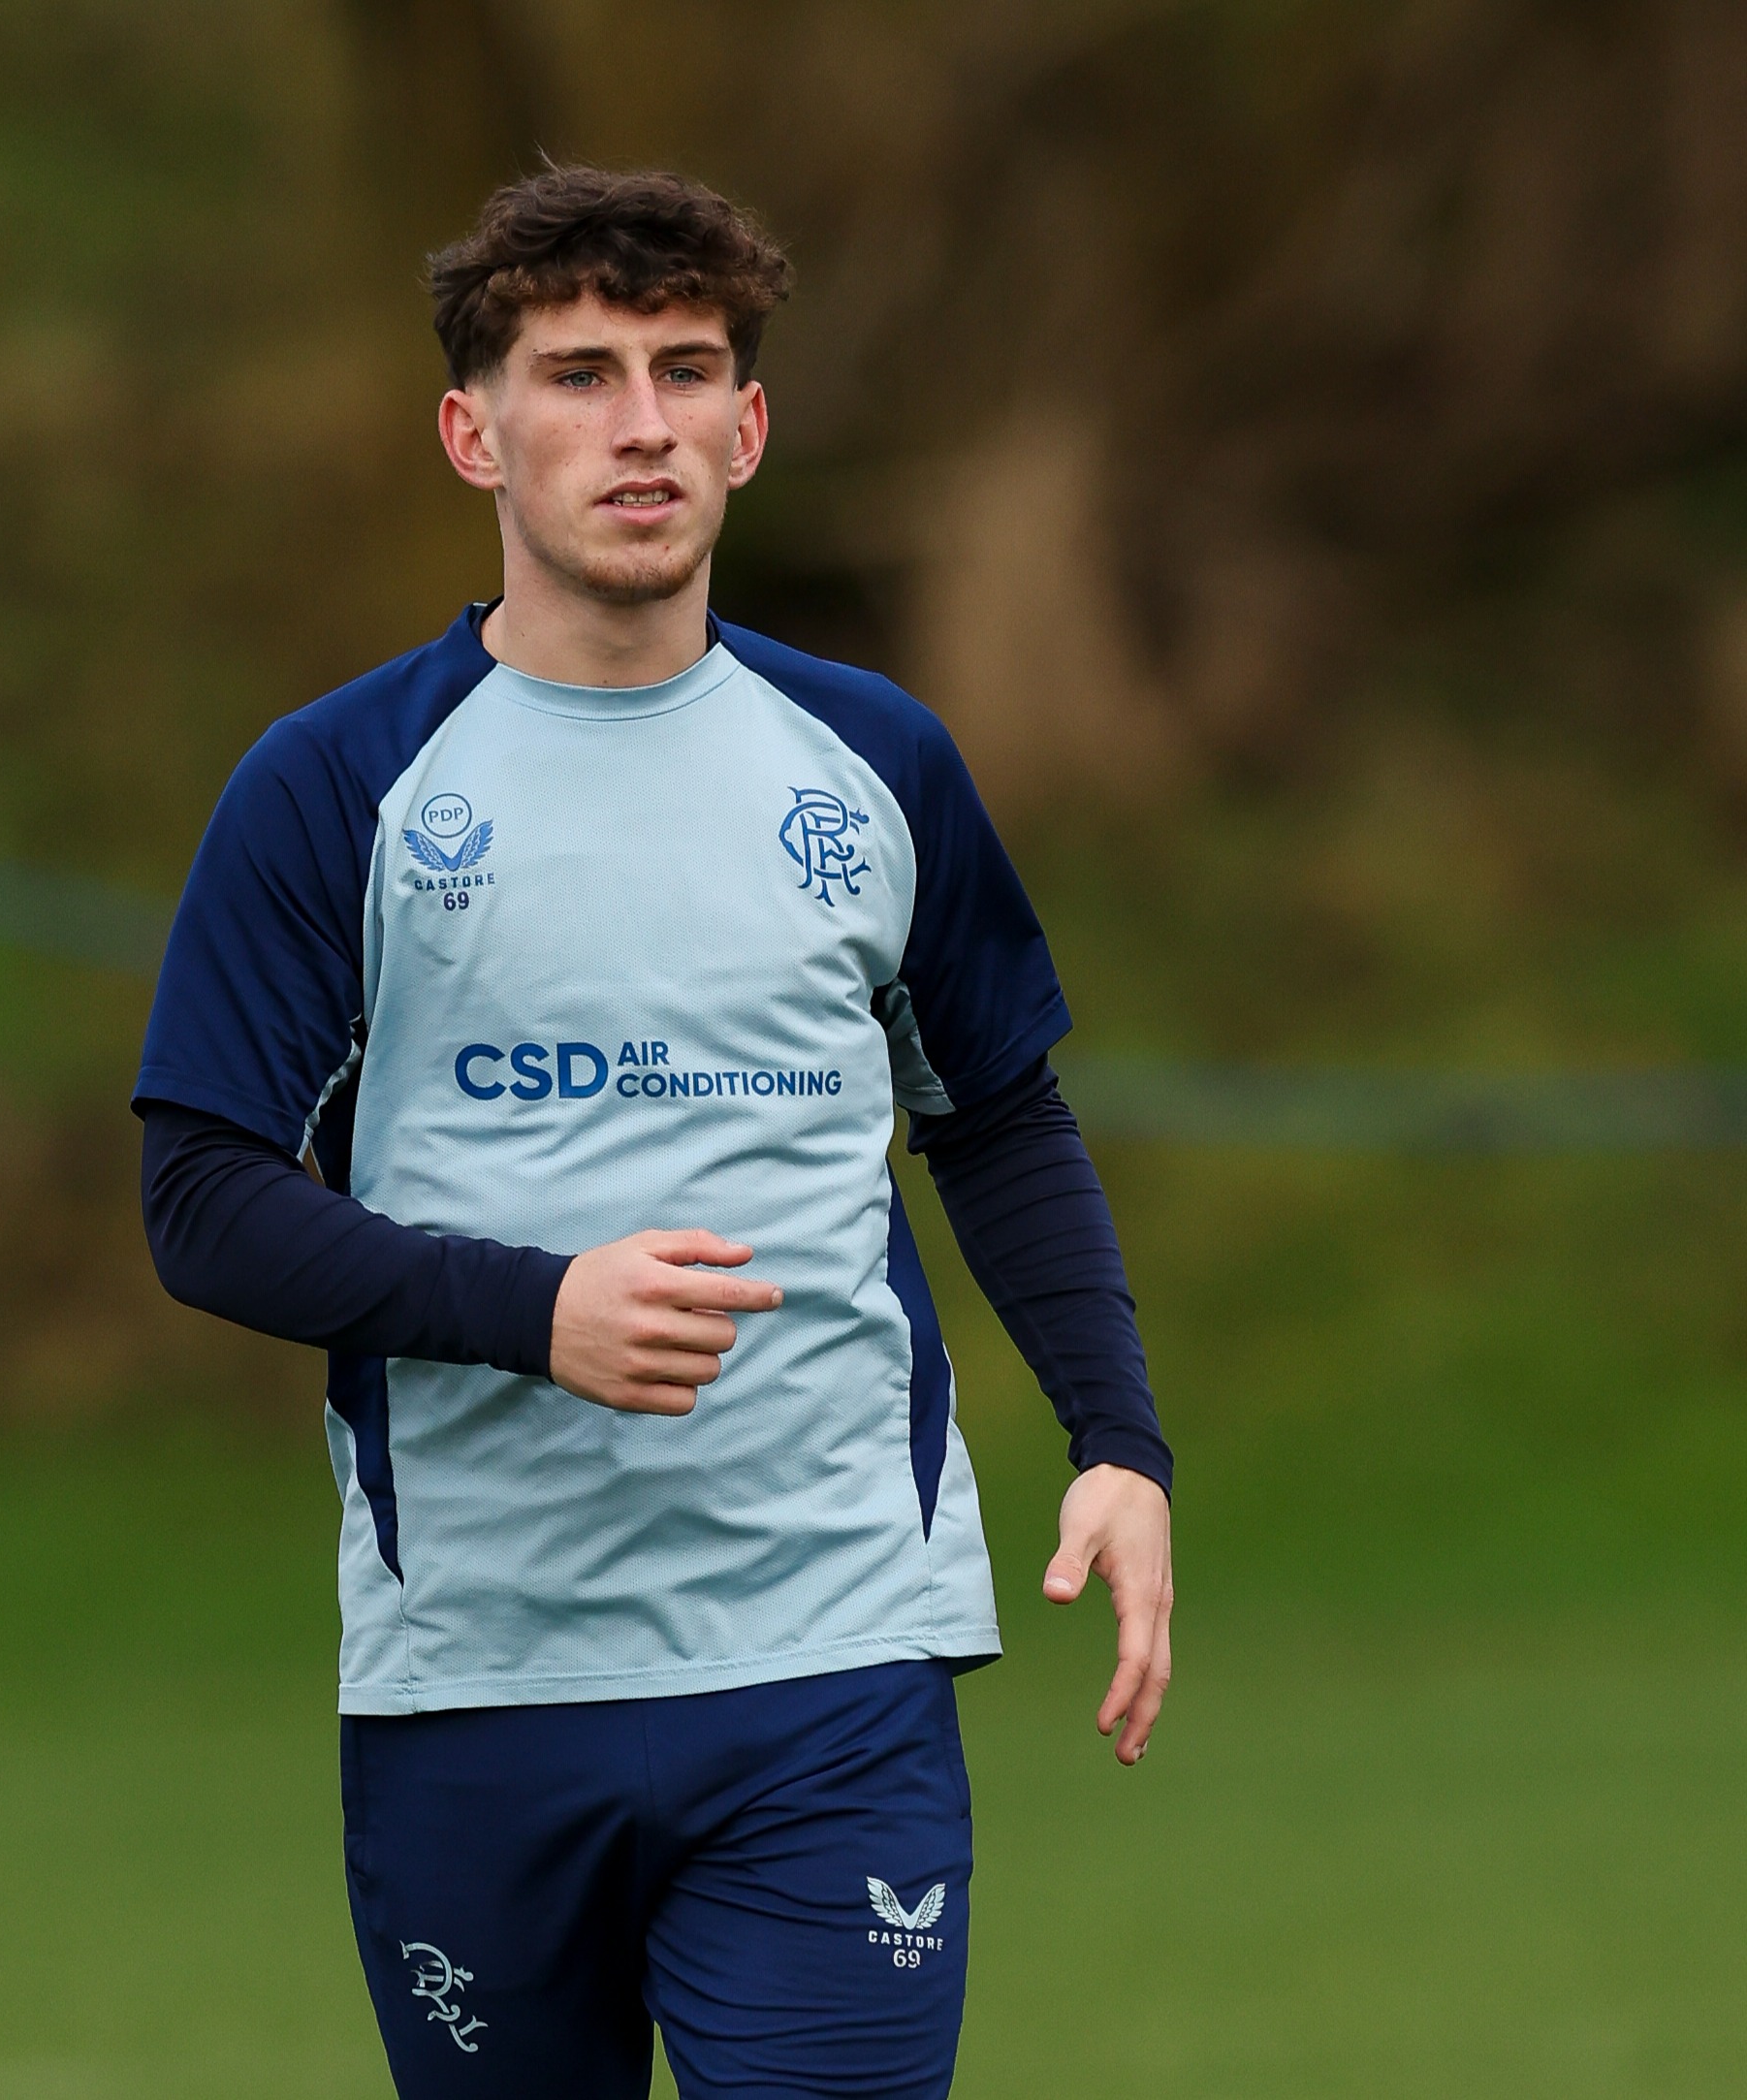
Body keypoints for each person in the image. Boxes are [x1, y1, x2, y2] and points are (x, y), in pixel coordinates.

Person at [135, 164, 1172, 2100]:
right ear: (474, 432)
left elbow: (1002, 1119)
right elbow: (200, 1199)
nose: (640, 423)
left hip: (830, 1662)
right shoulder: (336, 788)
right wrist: (534, 1313)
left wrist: (1117, 1440)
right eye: (581, 373)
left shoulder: (875, 764)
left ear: (748, 427)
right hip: (478, 1680)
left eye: (686, 372)